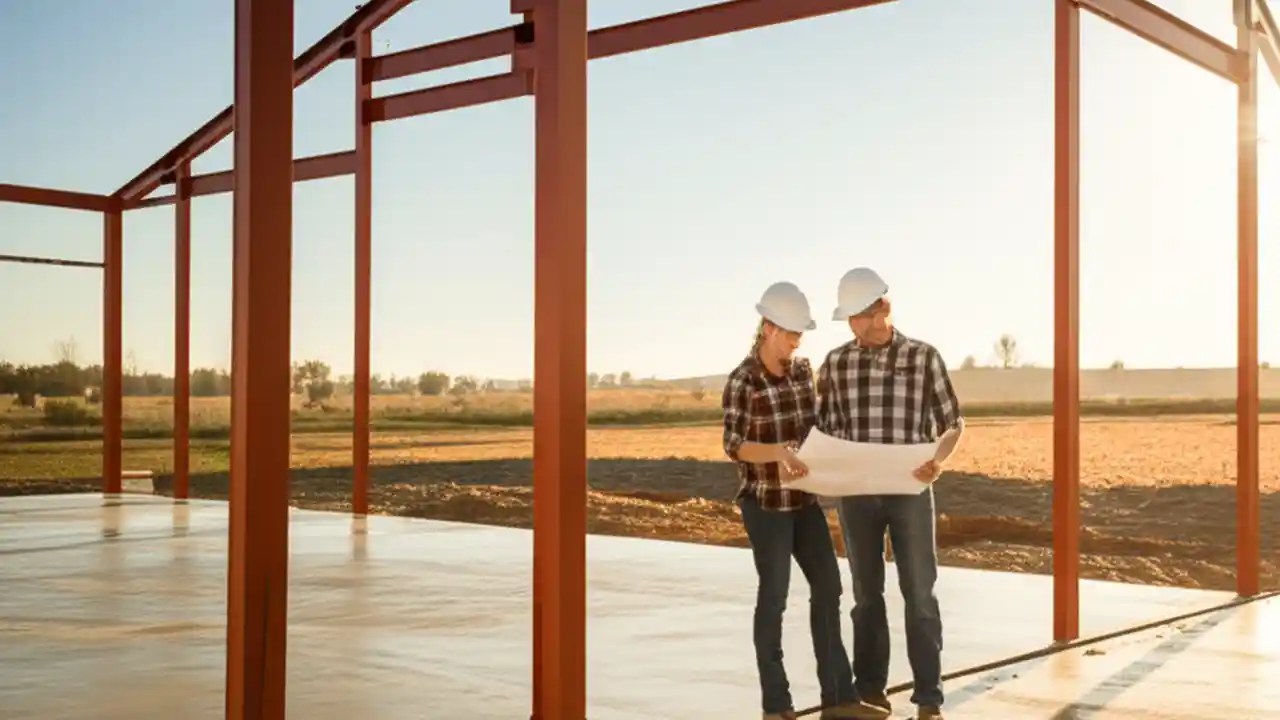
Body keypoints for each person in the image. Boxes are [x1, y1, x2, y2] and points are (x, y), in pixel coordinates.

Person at [722, 281, 886, 720]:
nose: (797, 342)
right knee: (774, 597)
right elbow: (735, 446)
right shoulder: (743, 380)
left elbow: (816, 428)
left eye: (801, 335)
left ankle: (839, 698)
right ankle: (776, 706)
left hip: (804, 503)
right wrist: (777, 453)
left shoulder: (800, 372)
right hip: (765, 506)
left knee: (829, 588)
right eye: (792, 333)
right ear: (769, 327)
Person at [816, 267, 966, 720]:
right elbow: (825, 427)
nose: (853, 326)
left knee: (920, 593)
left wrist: (938, 461)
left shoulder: (924, 357)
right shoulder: (836, 363)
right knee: (866, 594)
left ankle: (929, 698)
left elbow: (952, 423)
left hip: (910, 492)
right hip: (857, 496)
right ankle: (870, 691)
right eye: (848, 319)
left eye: (859, 316)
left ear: (883, 308)